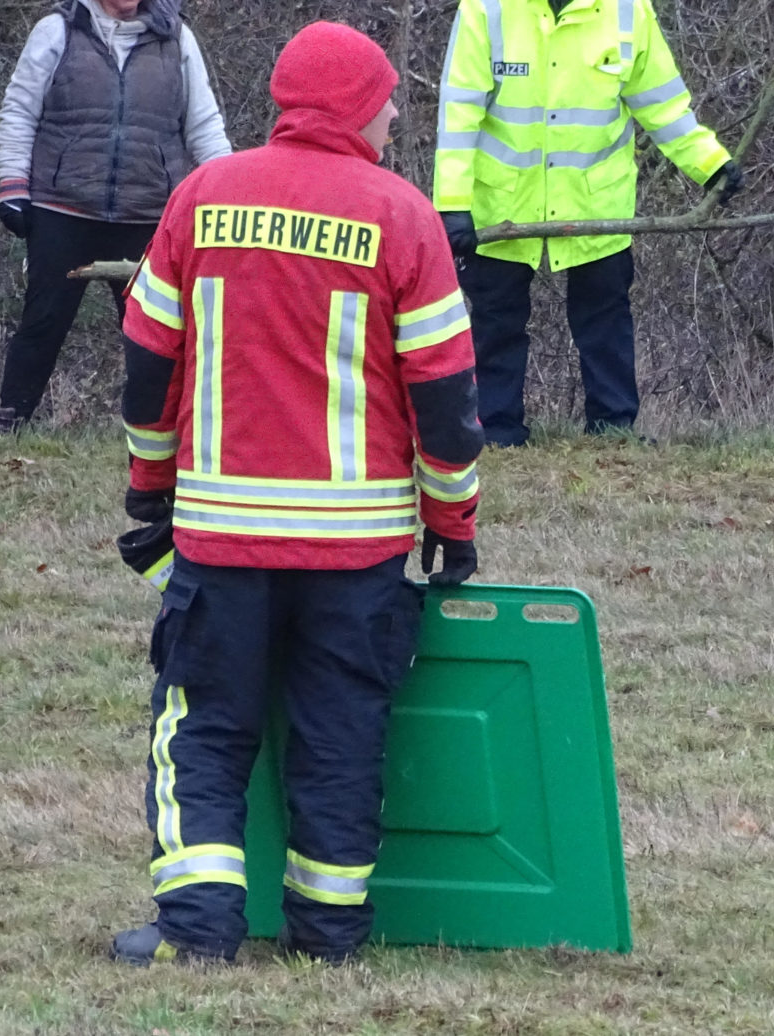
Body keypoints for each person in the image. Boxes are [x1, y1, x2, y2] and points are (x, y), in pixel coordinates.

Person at [109, 21, 483, 966]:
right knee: (341, 738)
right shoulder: (403, 217)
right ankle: (328, 935)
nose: (398, 115)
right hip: (355, 552)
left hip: (220, 539)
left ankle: (198, 934)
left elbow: (148, 364)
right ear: (359, 107)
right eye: (390, 99)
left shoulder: (202, 197)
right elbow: (446, 399)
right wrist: (453, 524)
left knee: (203, 731)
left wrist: (149, 490)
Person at [433, 0, 743, 447]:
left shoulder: (628, 10)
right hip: (501, 201)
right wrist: (453, 203)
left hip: (597, 203)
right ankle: (496, 430)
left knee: (605, 318)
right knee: (496, 320)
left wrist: (711, 164)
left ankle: (613, 428)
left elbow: (663, 106)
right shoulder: (487, 8)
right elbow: (459, 110)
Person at [0, 0, 230, 432]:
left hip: (147, 215)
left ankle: (158, 429)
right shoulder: (57, 30)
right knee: (42, 323)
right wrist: (12, 185)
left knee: (154, 335)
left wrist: (231, 194)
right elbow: (18, 112)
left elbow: (203, 125)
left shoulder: (176, 37)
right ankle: (10, 422)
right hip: (62, 208)